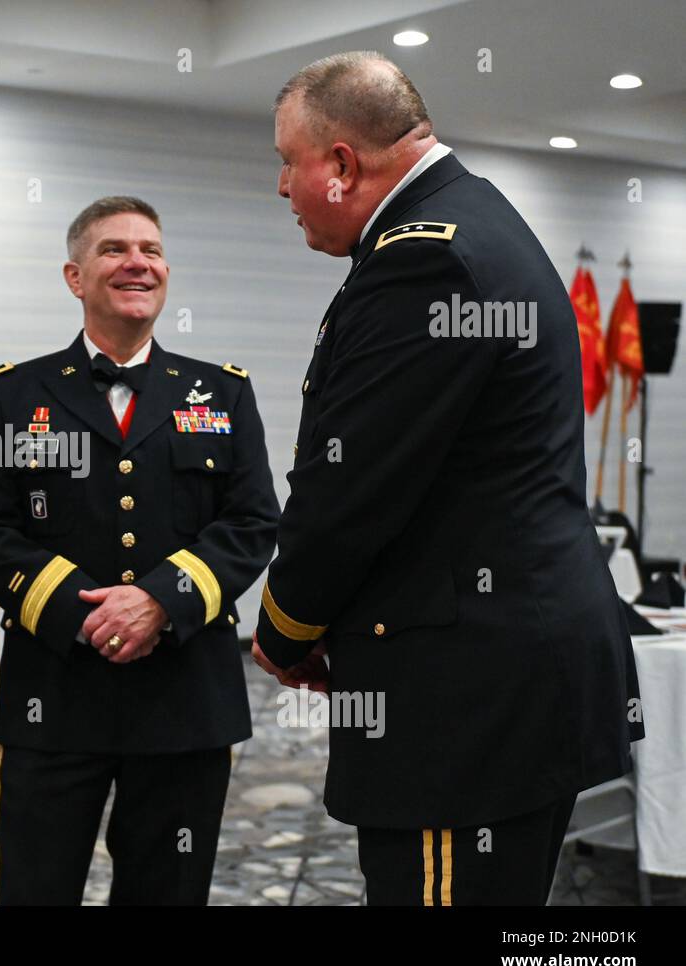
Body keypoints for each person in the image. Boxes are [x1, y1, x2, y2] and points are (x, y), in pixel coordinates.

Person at [254, 52, 644, 905]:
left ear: (343, 162)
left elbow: (351, 492)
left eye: (289, 162)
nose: (282, 186)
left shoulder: (422, 260)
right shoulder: (471, 219)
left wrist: (283, 628)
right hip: (506, 669)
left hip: (460, 694)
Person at [0, 196, 280, 905]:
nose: (139, 262)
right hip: (55, 695)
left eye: (151, 250)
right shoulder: (14, 394)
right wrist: (89, 614)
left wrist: (159, 601)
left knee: (168, 891)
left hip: (184, 698)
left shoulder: (222, 392)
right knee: (36, 890)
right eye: (115, 249)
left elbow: (253, 521)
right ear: (75, 277)